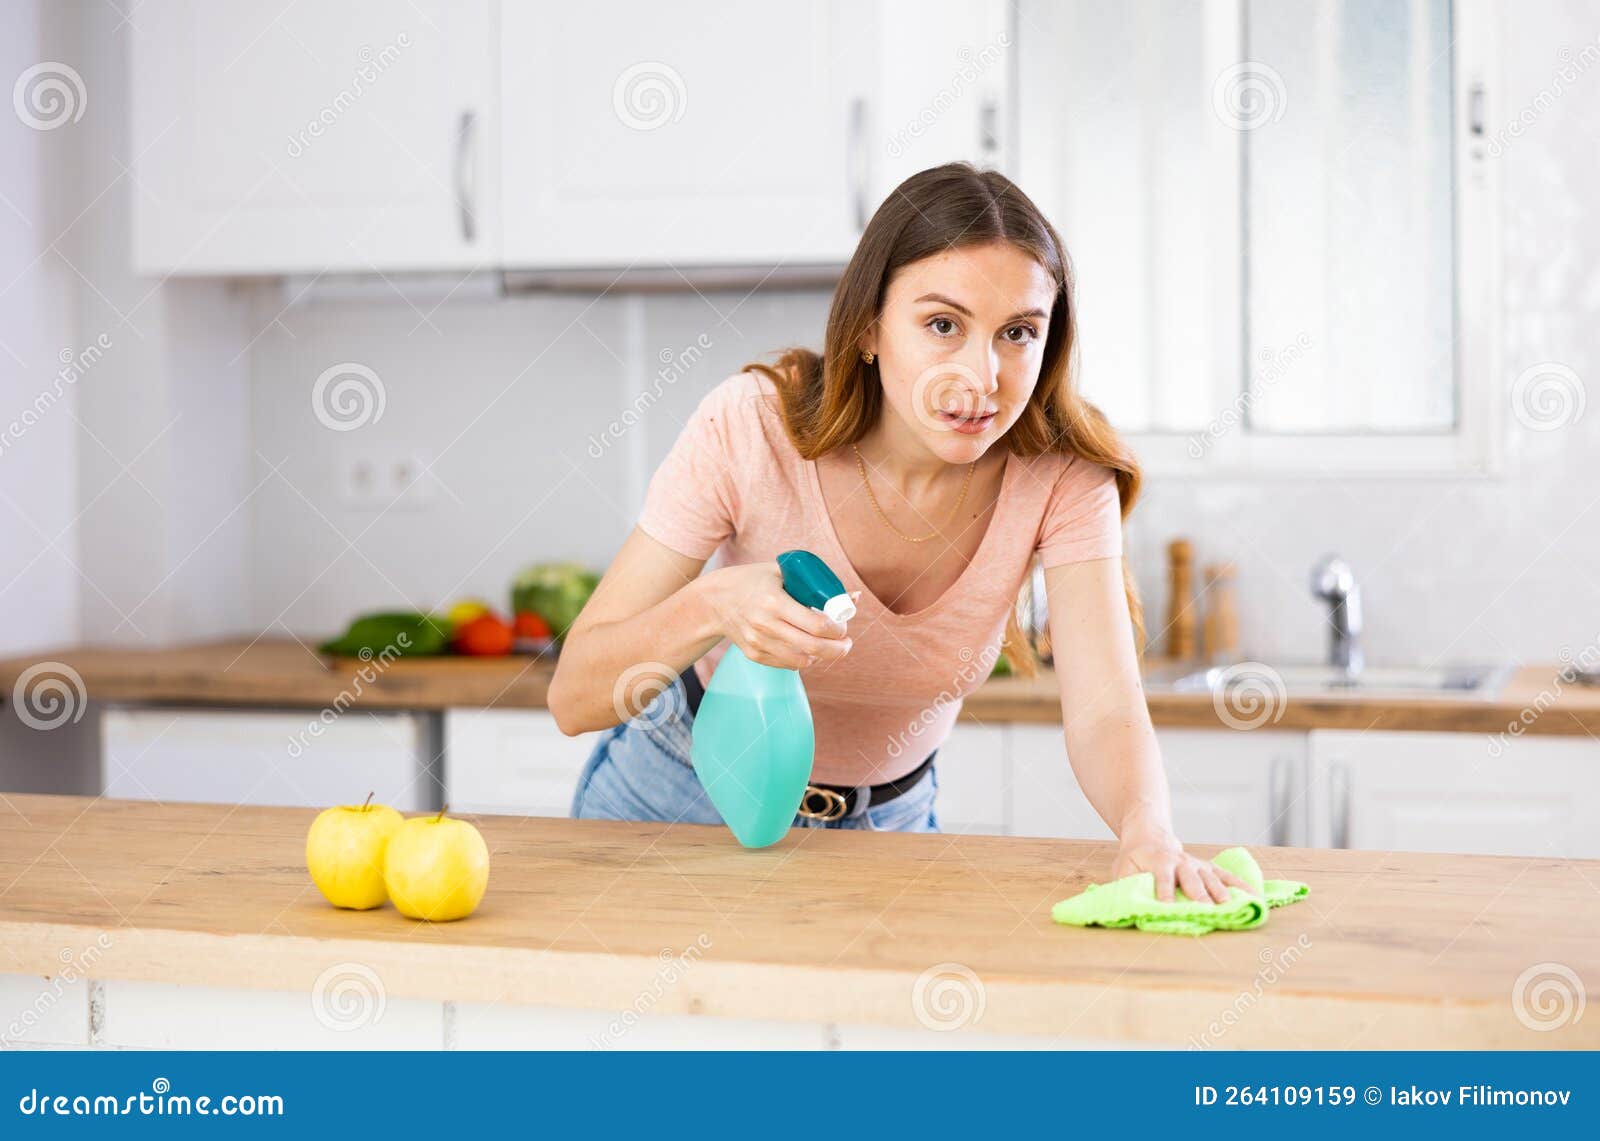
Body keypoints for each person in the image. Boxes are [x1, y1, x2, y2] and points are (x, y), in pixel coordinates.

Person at [550, 162, 1249, 904]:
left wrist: (1148, 833)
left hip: (890, 832)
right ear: (870, 329)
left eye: (1018, 333)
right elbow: (576, 695)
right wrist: (714, 607)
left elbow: (1105, 708)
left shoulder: (1064, 478)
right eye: (943, 325)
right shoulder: (752, 427)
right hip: (678, 806)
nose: (982, 376)